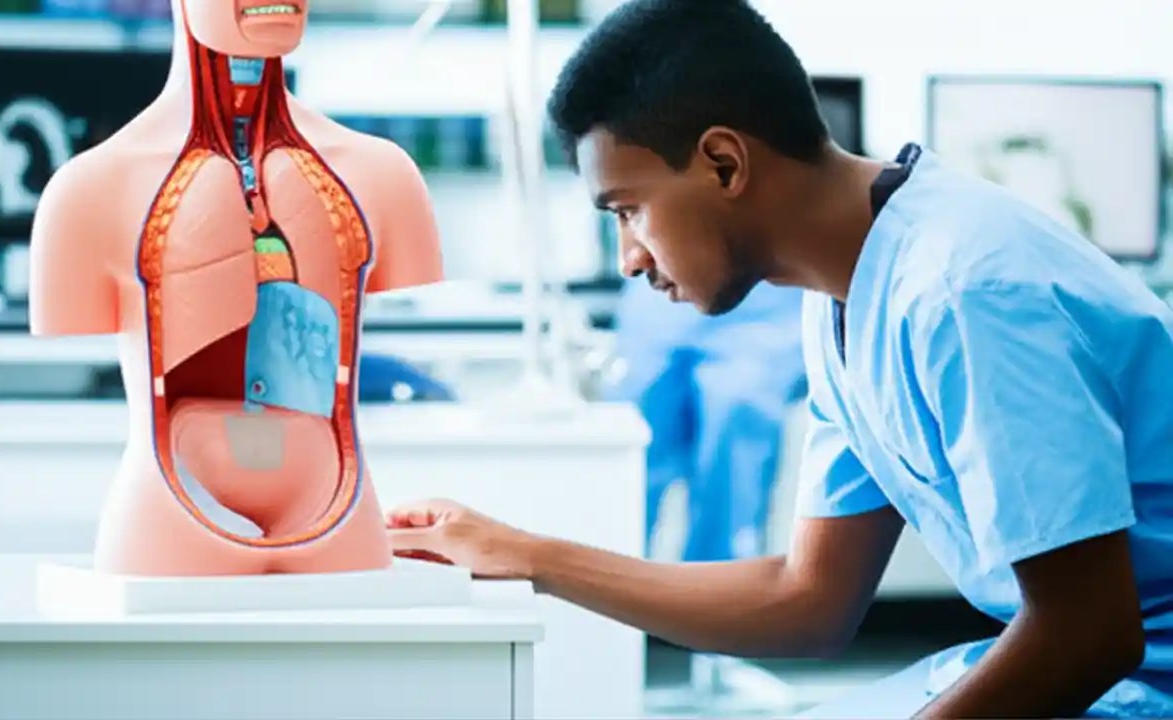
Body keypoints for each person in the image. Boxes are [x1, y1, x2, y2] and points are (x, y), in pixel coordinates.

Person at [385, 0, 1173, 716]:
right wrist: (525, 555)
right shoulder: (842, 297)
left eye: (628, 211)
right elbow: (811, 599)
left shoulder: (962, 290)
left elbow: (1090, 635)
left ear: (724, 163)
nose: (627, 257)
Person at [608, 276, 804, 565]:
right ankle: (605, 591)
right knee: (627, 460)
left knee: (732, 469)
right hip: (659, 300)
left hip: (763, 305)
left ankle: (716, 598)